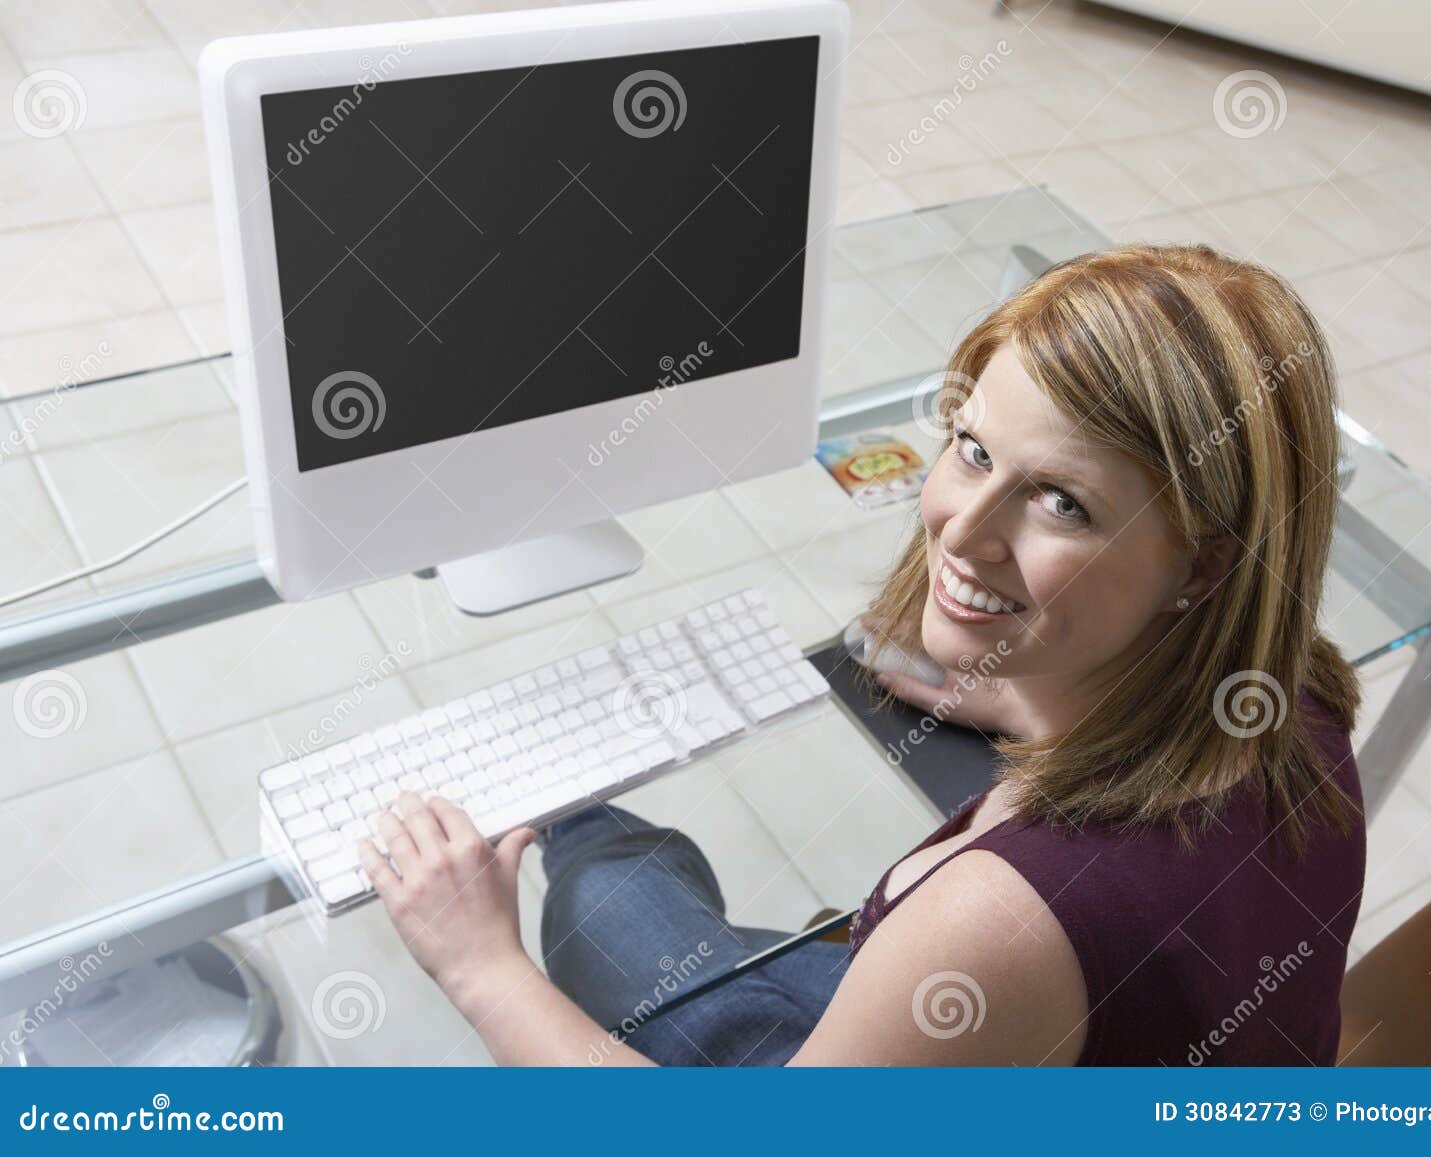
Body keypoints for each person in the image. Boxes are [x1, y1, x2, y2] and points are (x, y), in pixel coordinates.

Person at [359, 243, 1366, 1066]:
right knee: (611, 870)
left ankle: (573, 833)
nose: (959, 530)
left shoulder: (997, 924)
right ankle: (578, 824)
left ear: (1202, 564)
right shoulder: (1291, 697)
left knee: (596, 900)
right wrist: (1028, 687)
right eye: (971, 449)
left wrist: (478, 964)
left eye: (1064, 501)